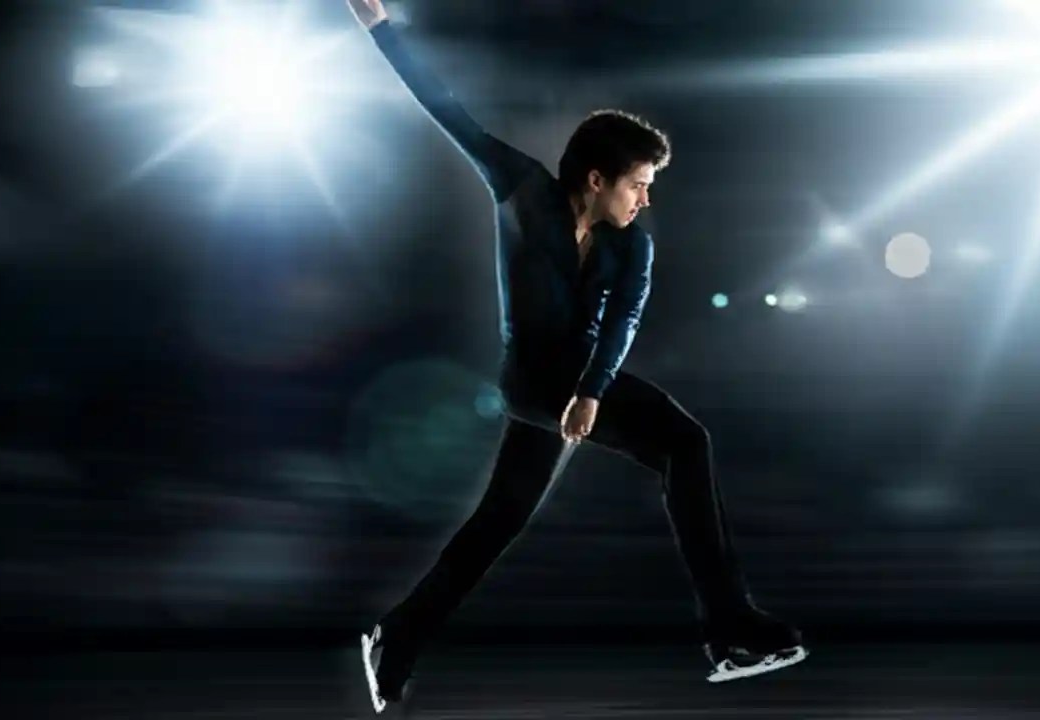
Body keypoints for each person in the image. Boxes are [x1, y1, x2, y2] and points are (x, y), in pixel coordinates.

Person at [345, 1, 806, 712]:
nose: (645, 198)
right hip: (531, 384)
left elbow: (624, 319)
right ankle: (731, 630)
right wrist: (380, 27)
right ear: (596, 178)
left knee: (498, 522)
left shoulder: (634, 245)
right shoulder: (522, 189)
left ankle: (397, 636)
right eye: (637, 183)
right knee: (686, 442)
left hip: (579, 388)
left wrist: (593, 390)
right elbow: (444, 107)